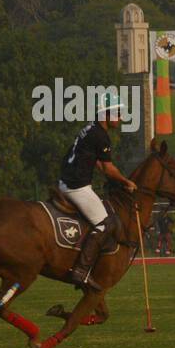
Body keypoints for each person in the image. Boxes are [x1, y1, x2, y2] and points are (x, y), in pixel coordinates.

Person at [59, 94, 138, 291]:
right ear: (106, 113)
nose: (120, 118)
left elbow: (99, 164)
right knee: (106, 223)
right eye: (117, 113)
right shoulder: (100, 135)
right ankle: (81, 270)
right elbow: (109, 168)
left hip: (67, 180)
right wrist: (126, 181)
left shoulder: (90, 128)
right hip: (76, 186)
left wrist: (115, 180)